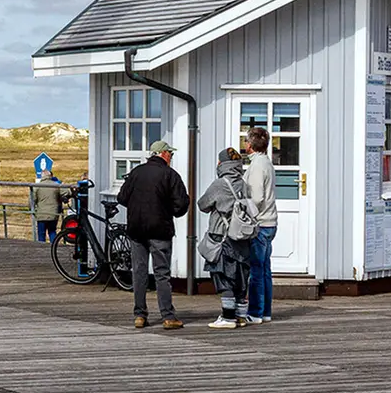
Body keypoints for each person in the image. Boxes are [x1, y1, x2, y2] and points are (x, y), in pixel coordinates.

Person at [117, 139, 190, 330]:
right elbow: (181, 205)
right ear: (164, 154)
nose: (171, 157)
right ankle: (168, 316)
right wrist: (168, 210)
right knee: (162, 274)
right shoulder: (170, 175)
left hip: (136, 229)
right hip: (160, 230)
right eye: (171, 154)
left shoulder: (136, 172)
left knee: (139, 272)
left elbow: (122, 198)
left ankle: (139, 315)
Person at [196, 147, 257, 328]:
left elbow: (203, 204)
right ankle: (240, 315)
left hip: (222, 236)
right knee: (240, 276)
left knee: (224, 276)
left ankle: (228, 317)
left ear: (221, 164)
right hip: (243, 237)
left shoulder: (220, 184)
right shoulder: (244, 184)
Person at [245, 126, 279, 323]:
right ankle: (265, 311)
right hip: (270, 221)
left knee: (257, 270)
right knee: (265, 270)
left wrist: (243, 212)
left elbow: (256, 197)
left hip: (260, 223)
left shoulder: (257, 166)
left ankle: (255, 312)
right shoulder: (267, 163)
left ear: (250, 145)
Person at [29, 171, 64, 242]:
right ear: (51, 176)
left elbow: (32, 199)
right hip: (53, 213)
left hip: (41, 213)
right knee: (52, 231)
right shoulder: (56, 185)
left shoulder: (37, 186)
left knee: (41, 233)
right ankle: (53, 246)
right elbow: (66, 192)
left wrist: (31, 208)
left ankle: (41, 249)